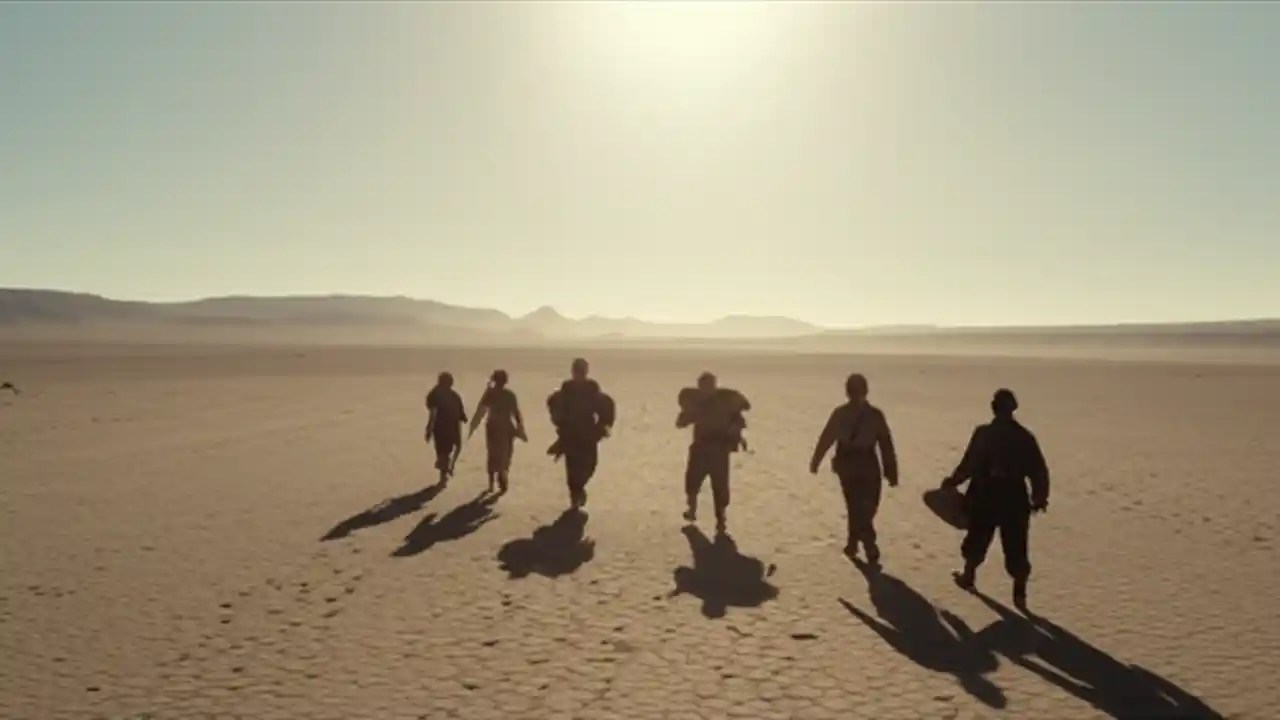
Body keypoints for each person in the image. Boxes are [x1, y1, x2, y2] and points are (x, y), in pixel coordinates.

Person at [942, 388, 1049, 607]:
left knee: (978, 538)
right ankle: (1019, 594)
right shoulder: (1024, 436)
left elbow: (969, 464)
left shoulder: (984, 433)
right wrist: (1039, 497)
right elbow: (1038, 470)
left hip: (986, 494)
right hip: (1014, 498)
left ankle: (969, 575)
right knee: (1016, 546)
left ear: (994, 408)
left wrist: (953, 481)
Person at [809, 373, 899, 565]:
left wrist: (816, 460)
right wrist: (890, 471)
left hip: (853, 465)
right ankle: (869, 546)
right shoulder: (865, 414)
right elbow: (885, 444)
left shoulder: (861, 414)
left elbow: (826, 438)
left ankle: (853, 542)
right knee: (861, 507)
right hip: (861, 465)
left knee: (860, 507)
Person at [677, 372, 750, 535]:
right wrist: (688, 415)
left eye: (709, 385)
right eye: (703, 385)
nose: (706, 389)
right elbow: (681, 421)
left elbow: (741, 415)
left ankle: (720, 517)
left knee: (720, 486)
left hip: (719, 450)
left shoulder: (726, 401)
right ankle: (692, 509)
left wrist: (736, 432)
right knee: (692, 482)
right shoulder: (696, 403)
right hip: (700, 448)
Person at [546, 358, 614, 511]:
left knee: (591, 464)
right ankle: (575, 496)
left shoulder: (592, 386)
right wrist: (560, 422)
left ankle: (580, 488)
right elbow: (556, 403)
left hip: (588, 432)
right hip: (570, 433)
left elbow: (603, 404)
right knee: (572, 467)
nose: (579, 374)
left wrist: (603, 425)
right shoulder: (567, 387)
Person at [469, 369, 527, 495]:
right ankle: (503, 473)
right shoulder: (509, 395)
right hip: (506, 426)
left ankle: (491, 483)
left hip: (493, 426)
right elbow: (516, 413)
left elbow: (481, 411)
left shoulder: (490, 394)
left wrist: (473, 426)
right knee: (506, 453)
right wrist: (520, 428)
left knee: (492, 453)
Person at [424, 372, 467, 486]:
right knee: (450, 450)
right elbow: (460, 415)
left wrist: (429, 429)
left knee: (442, 451)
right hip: (453, 427)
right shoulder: (454, 395)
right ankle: (447, 468)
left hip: (440, 428)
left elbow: (433, 414)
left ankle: (444, 471)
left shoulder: (434, 394)